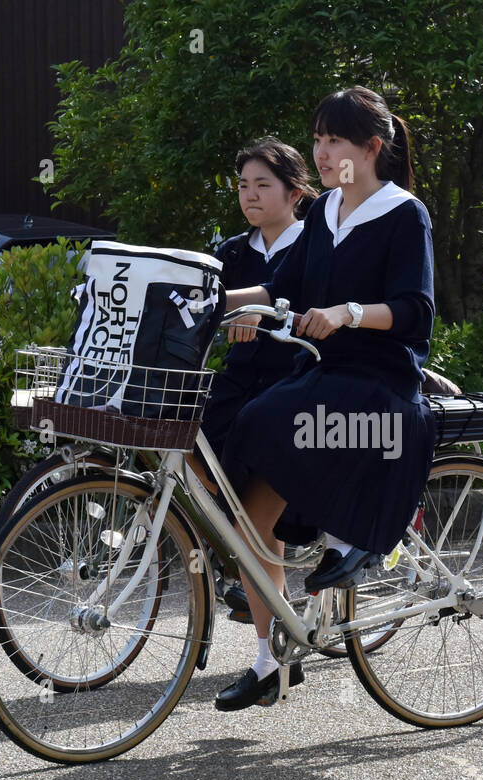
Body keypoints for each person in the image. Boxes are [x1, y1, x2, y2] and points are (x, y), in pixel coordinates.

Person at [212, 85, 438, 711]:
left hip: (381, 378)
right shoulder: (322, 213)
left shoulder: (403, 213)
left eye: (333, 138)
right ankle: (269, 661)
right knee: (249, 512)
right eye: (315, 137)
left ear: (371, 147)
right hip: (321, 371)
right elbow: (277, 289)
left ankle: (353, 534)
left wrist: (348, 312)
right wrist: (214, 305)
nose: (320, 149)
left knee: (273, 419)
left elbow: (416, 311)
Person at [195, 138, 319, 624]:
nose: (249, 195)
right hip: (239, 380)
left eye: (263, 185)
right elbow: (205, 304)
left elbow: (303, 303)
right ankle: (247, 559)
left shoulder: (314, 244)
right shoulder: (230, 251)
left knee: (260, 503)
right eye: (243, 185)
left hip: (290, 379)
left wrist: (258, 312)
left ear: (295, 192)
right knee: (186, 439)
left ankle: (269, 591)